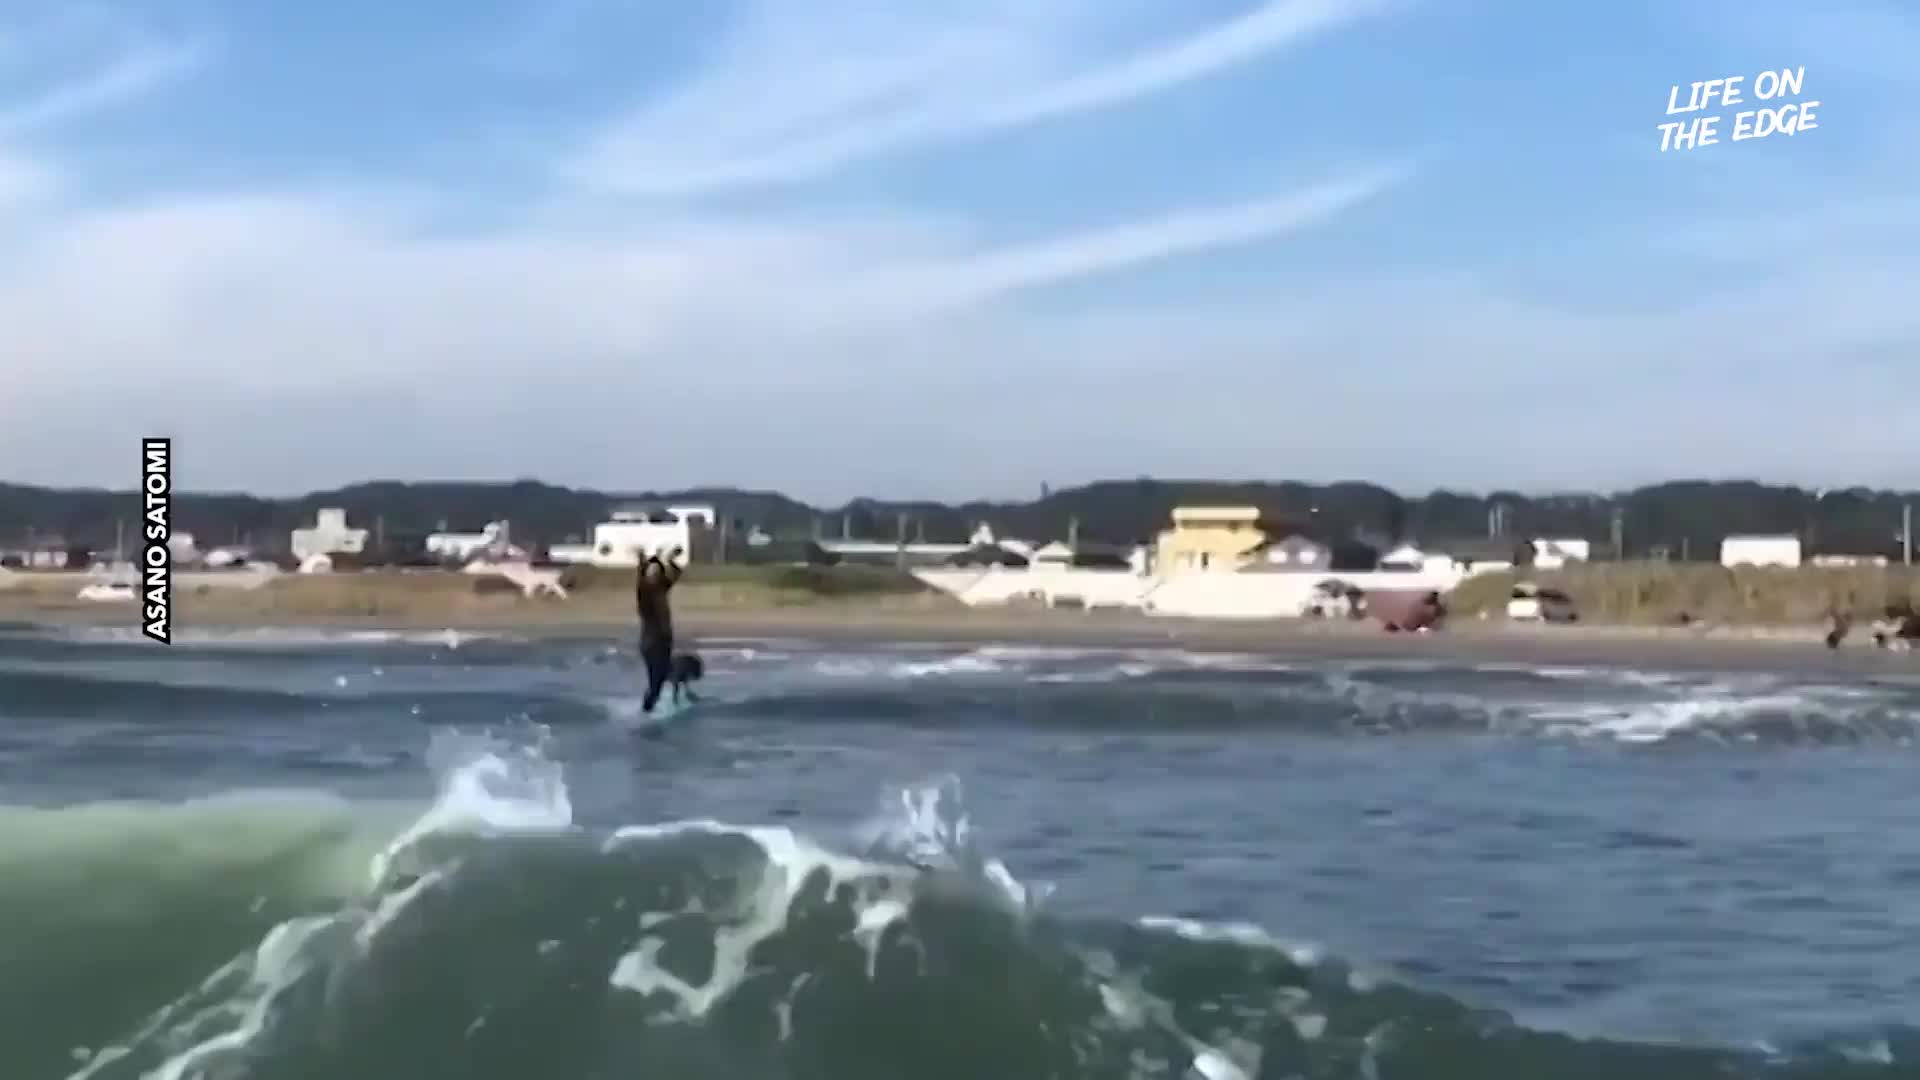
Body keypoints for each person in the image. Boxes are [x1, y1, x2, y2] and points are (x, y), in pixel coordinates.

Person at [635, 544, 686, 712]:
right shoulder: (645, 593)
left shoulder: (661, 587)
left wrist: (671, 560)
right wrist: (642, 560)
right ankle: (645, 713)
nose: (653, 572)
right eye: (651, 570)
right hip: (652, 644)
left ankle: (675, 701)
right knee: (657, 683)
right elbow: (641, 577)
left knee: (668, 675)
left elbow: (677, 573)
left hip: (663, 641)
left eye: (656, 570)